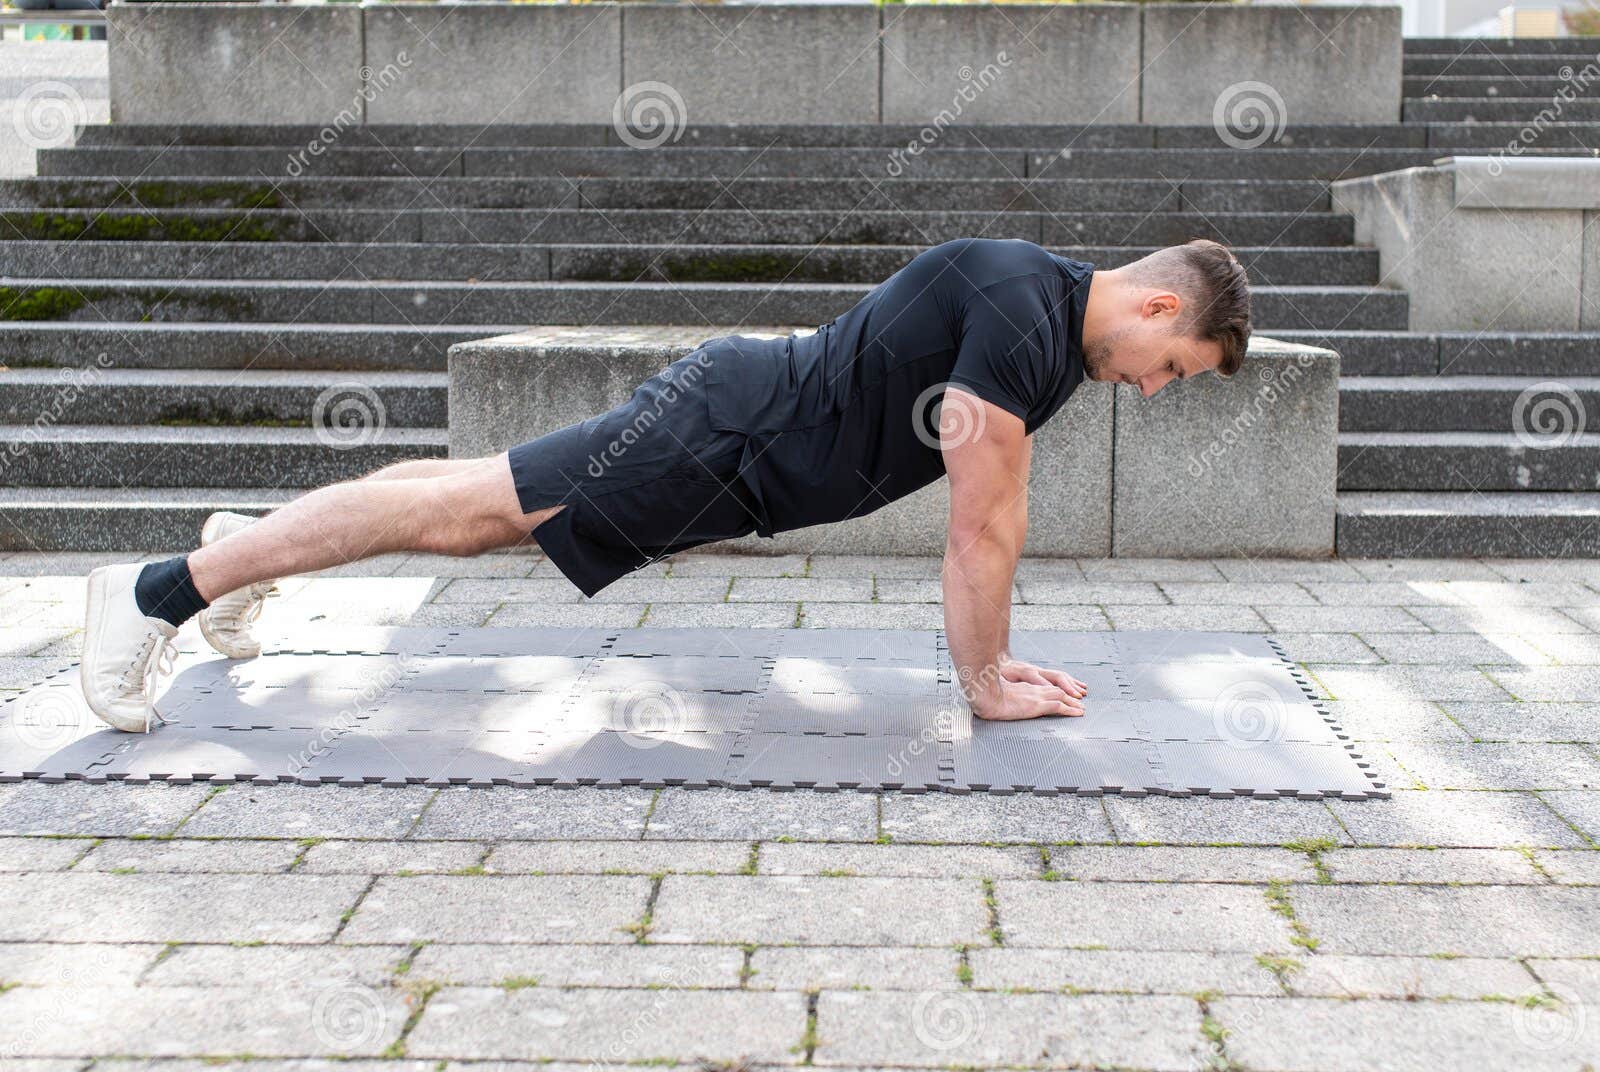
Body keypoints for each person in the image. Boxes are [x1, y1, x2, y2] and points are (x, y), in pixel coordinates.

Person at [79, 236, 1251, 733]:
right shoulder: (1019, 312)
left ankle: (245, 550)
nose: (1153, 390)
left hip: (731, 449)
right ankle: (159, 590)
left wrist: (992, 659)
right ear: (1156, 306)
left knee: (471, 501)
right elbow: (981, 527)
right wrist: (983, 680)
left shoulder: (1043, 332)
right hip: (722, 438)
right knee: (467, 514)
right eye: (1173, 370)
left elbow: (989, 519)